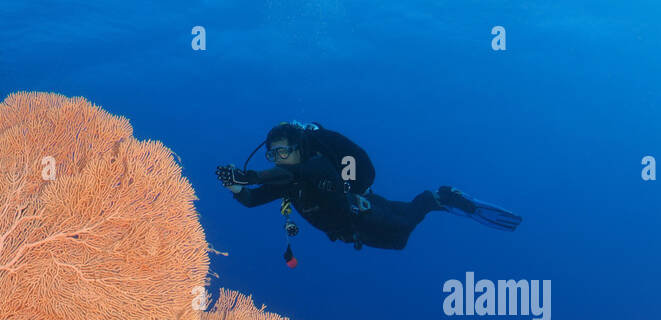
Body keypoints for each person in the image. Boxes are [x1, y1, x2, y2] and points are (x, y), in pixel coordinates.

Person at [216, 121, 520, 252]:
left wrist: (251, 175)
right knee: (398, 242)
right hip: (351, 230)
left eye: (283, 152)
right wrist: (234, 187)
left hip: (363, 211)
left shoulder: (317, 163)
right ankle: (439, 199)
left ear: (298, 147)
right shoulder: (284, 179)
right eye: (272, 154)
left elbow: (303, 172)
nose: (278, 159)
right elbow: (252, 201)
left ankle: (435, 198)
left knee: (403, 225)